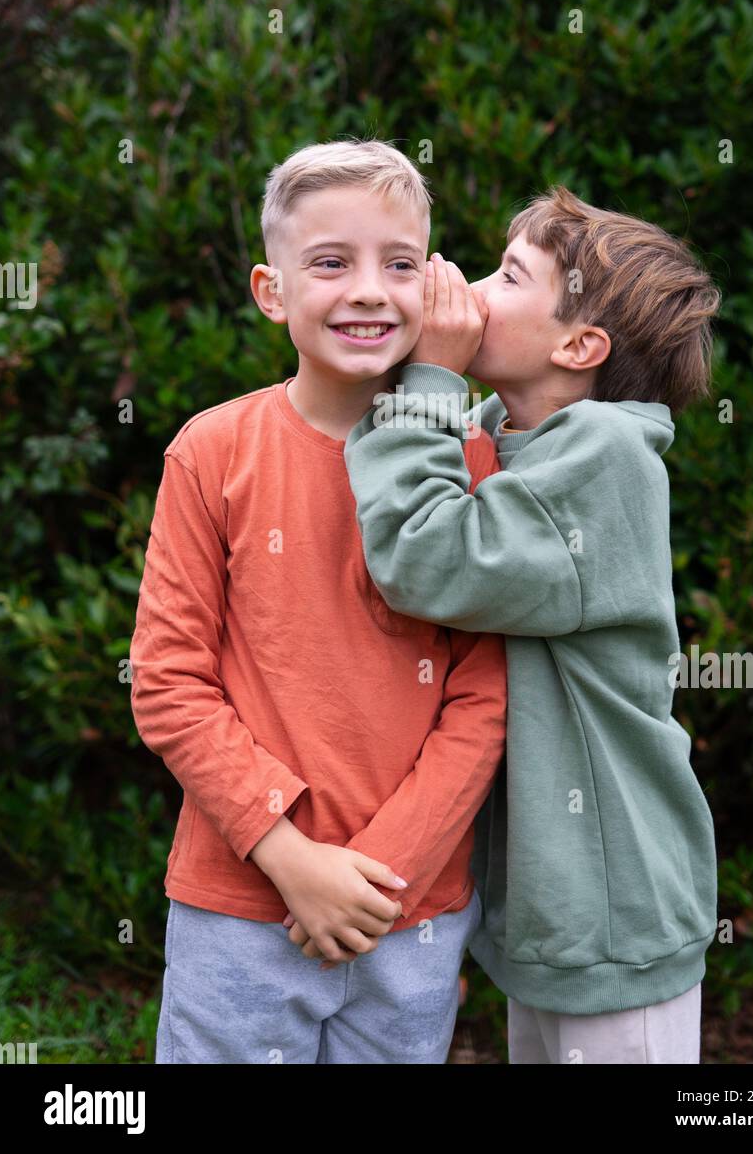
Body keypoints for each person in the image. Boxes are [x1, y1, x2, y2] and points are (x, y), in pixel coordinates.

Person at [129, 139, 507, 1064]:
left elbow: (486, 697)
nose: (370, 291)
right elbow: (168, 681)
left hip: (409, 916)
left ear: (434, 285)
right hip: (240, 905)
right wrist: (292, 860)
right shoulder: (212, 452)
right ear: (272, 291)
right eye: (331, 263)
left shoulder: (473, 464)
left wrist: (380, 874)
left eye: (400, 264)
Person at [340, 186, 721, 1064]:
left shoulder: (609, 457)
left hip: (615, 907)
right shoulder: (495, 433)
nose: (470, 287)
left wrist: (429, 375)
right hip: (555, 914)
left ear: (579, 346)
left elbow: (423, 556)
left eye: (508, 276)